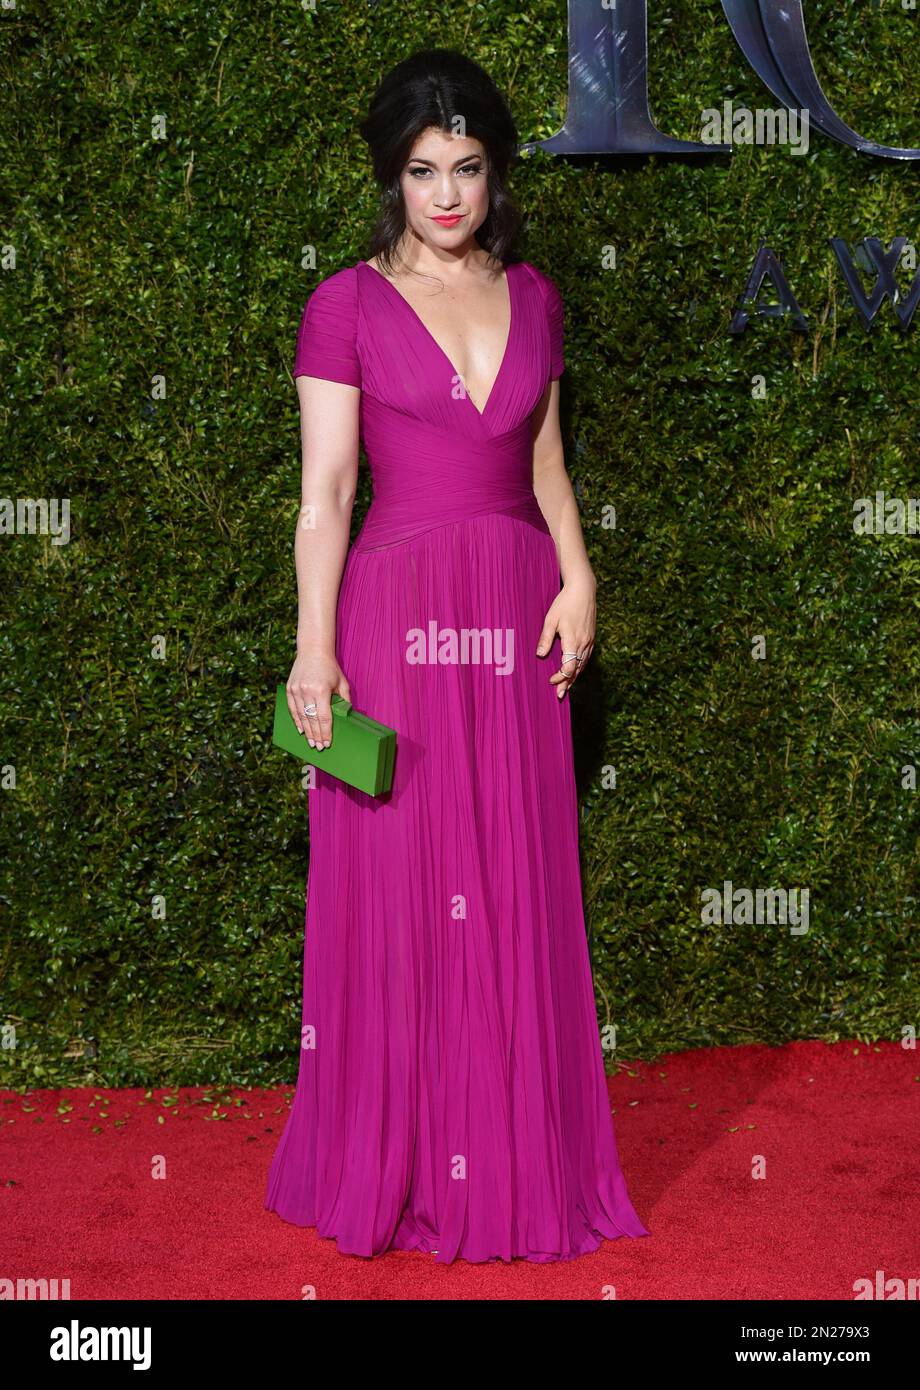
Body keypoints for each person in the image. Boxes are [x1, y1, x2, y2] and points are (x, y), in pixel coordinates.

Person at [264, 47, 649, 1264]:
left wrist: (578, 572)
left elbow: (543, 463)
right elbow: (324, 492)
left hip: (514, 612)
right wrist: (311, 649)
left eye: (467, 167)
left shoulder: (532, 296)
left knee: (513, 883)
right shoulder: (344, 304)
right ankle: (401, 1160)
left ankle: (511, 1158)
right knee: (405, 890)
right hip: (395, 618)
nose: (446, 194)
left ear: (494, 170)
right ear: (390, 174)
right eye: (422, 170)